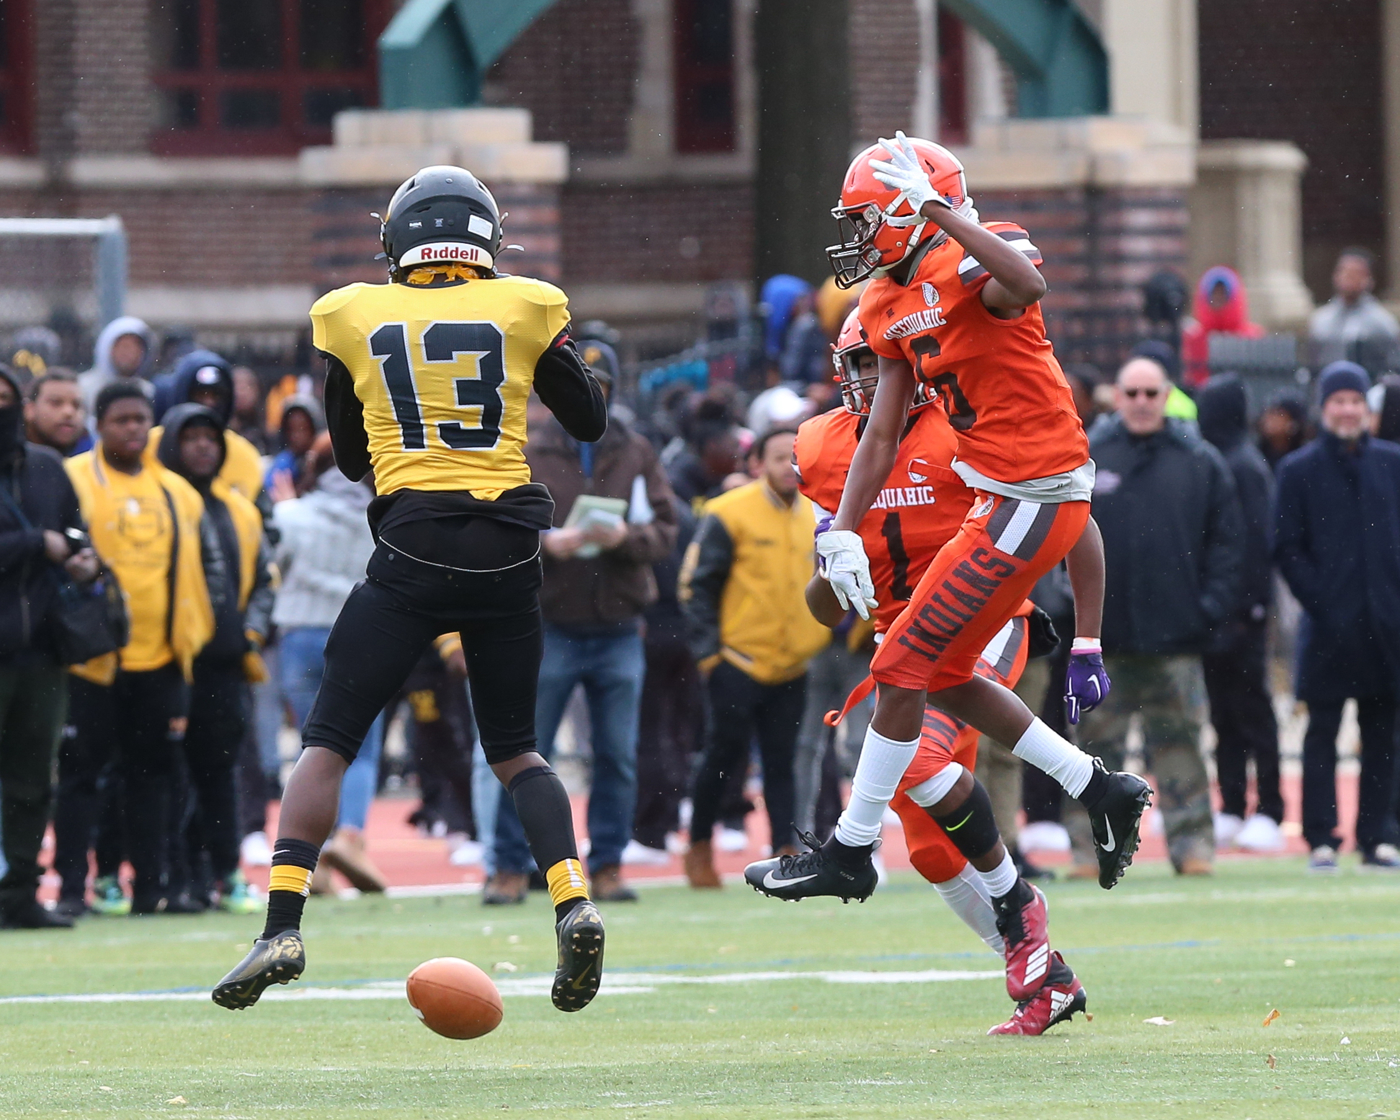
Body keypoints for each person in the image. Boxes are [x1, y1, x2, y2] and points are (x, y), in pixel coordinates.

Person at [212, 165, 609, 1014]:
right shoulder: (528, 303)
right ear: (487, 242)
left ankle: (282, 922)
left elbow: (353, 458)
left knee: (330, 739)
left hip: (412, 550)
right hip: (508, 548)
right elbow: (587, 421)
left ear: (396, 243)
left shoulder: (352, 312)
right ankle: (572, 899)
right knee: (516, 749)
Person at [744, 132, 1150, 903]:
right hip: (1001, 495)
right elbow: (882, 434)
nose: (857, 240)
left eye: (868, 220)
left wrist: (945, 213)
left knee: (899, 665)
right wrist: (838, 532)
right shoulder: (885, 300)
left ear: (909, 211)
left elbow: (1024, 284)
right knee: (949, 675)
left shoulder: (974, 252)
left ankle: (851, 848)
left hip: (1036, 490)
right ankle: (1100, 788)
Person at [787, 316, 1094, 1033]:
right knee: (928, 846)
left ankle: (1025, 898)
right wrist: (833, 563)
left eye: (876, 362)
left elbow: (1076, 515)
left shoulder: (965, 428)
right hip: (901, 648)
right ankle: (1044, 974)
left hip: (984, 625)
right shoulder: (822, 445)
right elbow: (822, 609)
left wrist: (1091, 639)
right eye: (855, 363)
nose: (865, 378)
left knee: (919, 757)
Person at [485, 349, 677, 905]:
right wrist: (545, 544)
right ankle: (508, 864)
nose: (594, 394)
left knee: (615, 753)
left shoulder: (635, 449)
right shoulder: (528, 448)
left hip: (618, 624)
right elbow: (500, 524)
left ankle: (609, 863)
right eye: (583, 384)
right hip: (548, 623)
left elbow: (667, 526)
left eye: (601, 385)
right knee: (522, 751)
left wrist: (628, 540)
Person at [1063, 357, 1243, 877]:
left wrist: (1205, 613)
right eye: (1132, 393)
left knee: (1183, 746)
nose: (1141, 403)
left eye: (1151, 393)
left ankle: (1193, 849)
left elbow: (1228, 547)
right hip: (1103, 641)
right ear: (1117, 396)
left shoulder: (1200, 461)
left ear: (1166, 397)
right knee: (1091, 753)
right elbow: (1058, 536)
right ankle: (1087, 849)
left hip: (1177, 639)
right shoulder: (1089, 456)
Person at [57, 381, 213, 915]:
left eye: (139, 419)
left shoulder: (178, 493)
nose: (131, 428)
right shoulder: (72, 480)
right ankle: (75, 888)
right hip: (91, 660)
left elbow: (200, 573)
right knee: (81, 775)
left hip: (162, 659)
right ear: (98, 425)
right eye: (120, 419)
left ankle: (152, 887)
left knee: (153, 778)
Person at [678, 427, 831, 886]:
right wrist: (710, 657)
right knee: (722, 758)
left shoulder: (820, 514)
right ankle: (700, 846)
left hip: (795, 662)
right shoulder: (728, 512)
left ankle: (785, 852)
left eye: (796, 457)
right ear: (758, 463)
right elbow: (696, 586)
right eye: (779, 457)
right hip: (737, 660)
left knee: (783, 761)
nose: (789, 466)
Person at [1274, 361, 1400, 871]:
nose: (1348, 410)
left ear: (1366, 410)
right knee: (1321, 732)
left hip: (1387, 628)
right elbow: (1286, 547)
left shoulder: (1392, 463)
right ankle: (1321, 837)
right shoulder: (1298, 470)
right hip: (1327, 629)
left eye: (1355, 401)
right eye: (1338, 402)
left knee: (1383, 735)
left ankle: (1379, 835)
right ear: (1324, 409)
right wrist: (1324, 601)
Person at [155, 404, 275, 914]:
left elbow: (264, 582)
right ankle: (175, 875)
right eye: (191, 438)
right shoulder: (159, 503)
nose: (203, 446)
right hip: (170, 665)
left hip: (226, 666)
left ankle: (223, 872)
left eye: (211, 437)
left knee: (220, 774)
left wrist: (249, 631)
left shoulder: (240, 509)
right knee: (168, 776)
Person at [0, 365, 99, 929]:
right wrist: (37, 543)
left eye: (5, 398)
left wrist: (86, 564)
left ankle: (17, 896)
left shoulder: (46, 470)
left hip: (41, 652)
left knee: (33, 782)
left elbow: (77, 535)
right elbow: (49, 539)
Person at [267, 434, 387, 894]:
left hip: (300, 632)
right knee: (361, 748)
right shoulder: (380, 515)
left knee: (312, 748)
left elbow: (273, 563)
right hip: (359, 633)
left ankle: (306, 858)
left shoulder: (291, 514)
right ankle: (351, 836)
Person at [1196, 374, 1285, 852]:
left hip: (1241, 614)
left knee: (1252, 710)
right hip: (1220, 611)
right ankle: (1231, 803)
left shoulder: (1244, 466)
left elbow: (1253, 545)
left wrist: (1250, 606)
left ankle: (1269, 806)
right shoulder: (1223, 460)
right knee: (1225, 712)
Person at [150, 350, 266, 508]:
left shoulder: (246, 456)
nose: (208, 404)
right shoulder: (149, 447)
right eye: (200, 395)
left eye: (216, 396)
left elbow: (261, 523)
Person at [1308, 248, 1400, 371]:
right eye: (1344, 271)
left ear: (1369, 279)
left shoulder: (1382, 322)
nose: (1348, 277)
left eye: (1356, 273)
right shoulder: (1321, 319)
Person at [1181, 266, 1264, 387]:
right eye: (1214, 294)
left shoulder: (1252, 336)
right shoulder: (1194, 338)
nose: (1218, 298)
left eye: (1223, 293)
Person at [77, 316, 156, 410]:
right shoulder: (83, 388)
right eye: (124, 346)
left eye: (137, 347)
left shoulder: (149, 391)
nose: (130, 353)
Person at [264, 396, 325, 498]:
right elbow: (271, 490)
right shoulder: (285, 461)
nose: (297, 436)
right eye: (292, 429)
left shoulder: (327, 459)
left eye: (303, 428)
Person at [24, 370, 87, 456]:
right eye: (56, 402)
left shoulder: (95, 460)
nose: (68, 412)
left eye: (76, 405)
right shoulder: (8, 457)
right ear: (29, 409)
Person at [1257, 393, 1308, 473]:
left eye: (1278, 414)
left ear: (1293, 422)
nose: (1269, 418)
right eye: (1268, 412)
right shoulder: (1256, 456)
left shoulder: (1306, 460)